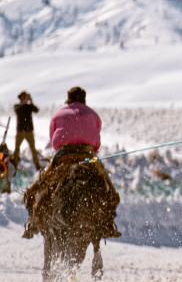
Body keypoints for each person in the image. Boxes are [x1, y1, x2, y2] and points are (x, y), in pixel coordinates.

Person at [23, 86, 120, 239]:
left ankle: (34, 219)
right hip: (88, 153)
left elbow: (53, 137)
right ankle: (108, 222)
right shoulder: (92, 114)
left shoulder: (58, 114)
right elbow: (97, 134)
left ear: (68, 98)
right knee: (107, 187)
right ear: (84, 99)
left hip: (64, 153)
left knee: (41, 183)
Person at [13, 91, 41, 170]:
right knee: (17, 148)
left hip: (29, 131)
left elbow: (36, 110)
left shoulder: (29, 106)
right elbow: (17, 110)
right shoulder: (18, 106)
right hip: (20, 131)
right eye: (24, 97)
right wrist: (23, 103)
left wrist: (31, 102)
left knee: (33, 148)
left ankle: (37, 164)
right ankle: (15, 164)